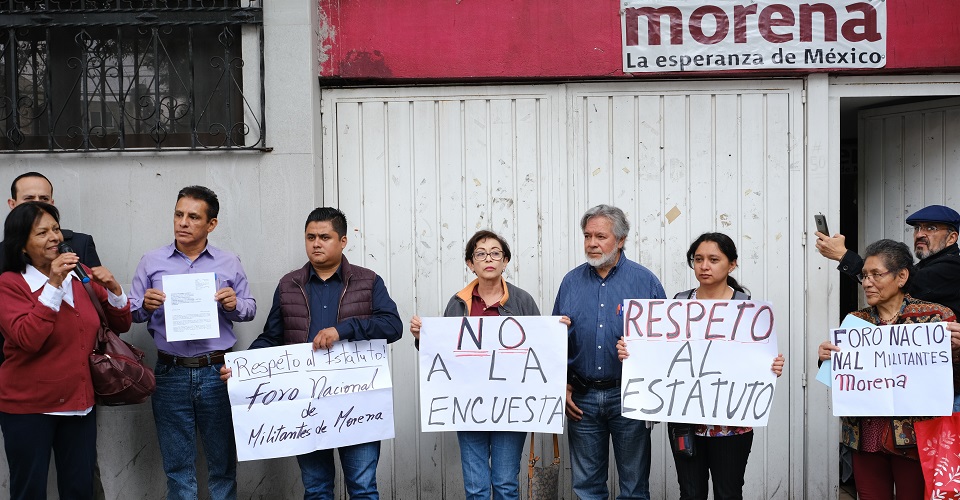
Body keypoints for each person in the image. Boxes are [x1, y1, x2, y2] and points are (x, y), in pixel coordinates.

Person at [221, 207, 402, 500]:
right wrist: (242, 368)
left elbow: (393, 326)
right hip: (306, 407)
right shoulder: (289, 284)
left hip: (358, 405)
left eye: (324, 237)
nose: (316, 243)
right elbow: (272, 337)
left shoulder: (368, 281)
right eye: (310, 237)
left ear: (343, 241)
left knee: (363, 489)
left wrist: (343, 330)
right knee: (316, 489)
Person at [616, 232, 784, 500]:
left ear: (732, 264)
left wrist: (770, 366)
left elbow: (757, 360)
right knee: (690, 493)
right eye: (698, 259)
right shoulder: (678, 304)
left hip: (732, 424)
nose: (704, 266)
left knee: (728, 492)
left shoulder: (748, 309)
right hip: (685, 422)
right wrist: (632, 351)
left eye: (714, 259)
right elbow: (659, 352)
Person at [130, 186, 256, 500]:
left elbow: (250, 309)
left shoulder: (228, 262)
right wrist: (145, 305)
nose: (183, 222)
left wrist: (234, 304)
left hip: (217, 372)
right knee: (178, 470)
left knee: (223, 468)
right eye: (178, 214)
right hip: (170, 373)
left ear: (211, 224)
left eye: (193, 217)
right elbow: (129, 313)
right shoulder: (151, 261)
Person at [0, 202, 131, 499]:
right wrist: (54, 284)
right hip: (29, 409)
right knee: (29, 491)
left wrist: (114, 288)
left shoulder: (79, 274)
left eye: (56, 229)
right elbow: (28, 338)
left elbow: (120, 324)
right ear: (22, 246)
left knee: (79, 489)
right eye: (42, 232)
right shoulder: (10, 284)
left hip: (80, 404)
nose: (54, 237)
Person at [408, 230, 543, 500]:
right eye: (480, 254)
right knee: (476, 487)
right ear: (471, 263)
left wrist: (557, 333)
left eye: (495, 253)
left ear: (505, 261)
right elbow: (444, 353)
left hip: (511, 407)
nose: (488, 259)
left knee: (505, 484)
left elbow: (540, 349)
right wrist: (424, 339)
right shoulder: (458, 303)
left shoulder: (523, 301)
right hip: (469, 406)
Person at [818, 239, 957, 500]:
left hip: (916, 439)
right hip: (865, 437)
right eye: (864, 276)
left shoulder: (935, 318)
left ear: (901, 276)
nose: (867, 282)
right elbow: (841, 380)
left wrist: (959, 351)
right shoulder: (856, 321)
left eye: (876, 275)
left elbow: (953, 380)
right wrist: (826, 358)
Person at [552, 204, 666, 500]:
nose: (592, 243)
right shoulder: (570, 282)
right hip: (582, 399)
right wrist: (562, 383)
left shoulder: (646, 282)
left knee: (634, 487)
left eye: (600, 236)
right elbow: (555, 341)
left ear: (621, 240)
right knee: (587, 487)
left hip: (630, 396)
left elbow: (667, 342)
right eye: (587, 236)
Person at [815, 204, 960, 316]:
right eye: (917, 228)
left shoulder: (953, 266)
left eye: (931, 228)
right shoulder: (861, 319)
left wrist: (843, 255)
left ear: (951, 238)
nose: (920, 234)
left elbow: (901, 283)